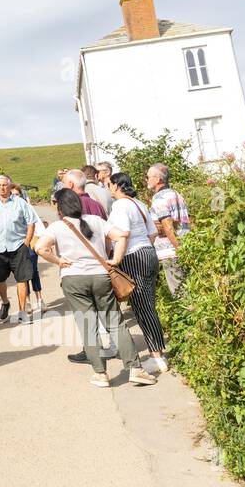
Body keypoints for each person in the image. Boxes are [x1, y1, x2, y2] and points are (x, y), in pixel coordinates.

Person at [34, 188, 157, 388]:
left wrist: (58, 260)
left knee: (88, 325)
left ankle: (101, 374)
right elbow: (122, 235)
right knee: (115, 323)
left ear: (60, 207)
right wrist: (115, 259)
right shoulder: (96, 221)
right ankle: (135, 369)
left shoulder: (56, 227)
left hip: (73, 280)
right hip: (100, 276)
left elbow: (40, 248)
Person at [106, 171, 167, 375]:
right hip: (149, 253)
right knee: (149, 304)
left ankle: (156, 357)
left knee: (143, 307)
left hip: (133, 256)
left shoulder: (120, 206)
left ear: (116, 186)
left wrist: (116, 260)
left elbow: (123, 234)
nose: (108, 190)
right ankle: (158, 352)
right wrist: (143, 249)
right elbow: (153, 232)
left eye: (109, 185)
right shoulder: (138, 204)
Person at [0, 174, 39, 322]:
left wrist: (26, 242)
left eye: (5, 185)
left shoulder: (20, 202)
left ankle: (22, 312)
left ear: (9, 185)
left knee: (22, 278)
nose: (2, 187)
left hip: (18, 245)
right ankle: (5, 302)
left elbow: (31, 223)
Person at [147, 163, 192, 297]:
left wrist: (179, 249)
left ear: (158, 179)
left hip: (172, 251)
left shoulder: (160, 199)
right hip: (186, 244)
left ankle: (189, 315)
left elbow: (167, 226)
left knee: (180, 292)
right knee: (189, 287)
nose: (147, 180)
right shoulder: (176, 194)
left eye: (149, 177)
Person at [13, 183, 45, 317]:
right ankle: (27, 301)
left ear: (21, 195)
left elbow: (38, 224)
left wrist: (41, 240)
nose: (15, 197)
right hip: (17, 245)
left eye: (17, 194)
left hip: (30, 243)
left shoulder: (28, 207)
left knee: (33, 270)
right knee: (22, 273)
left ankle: (40, 298)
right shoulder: (8, 210)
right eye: (12, 195)